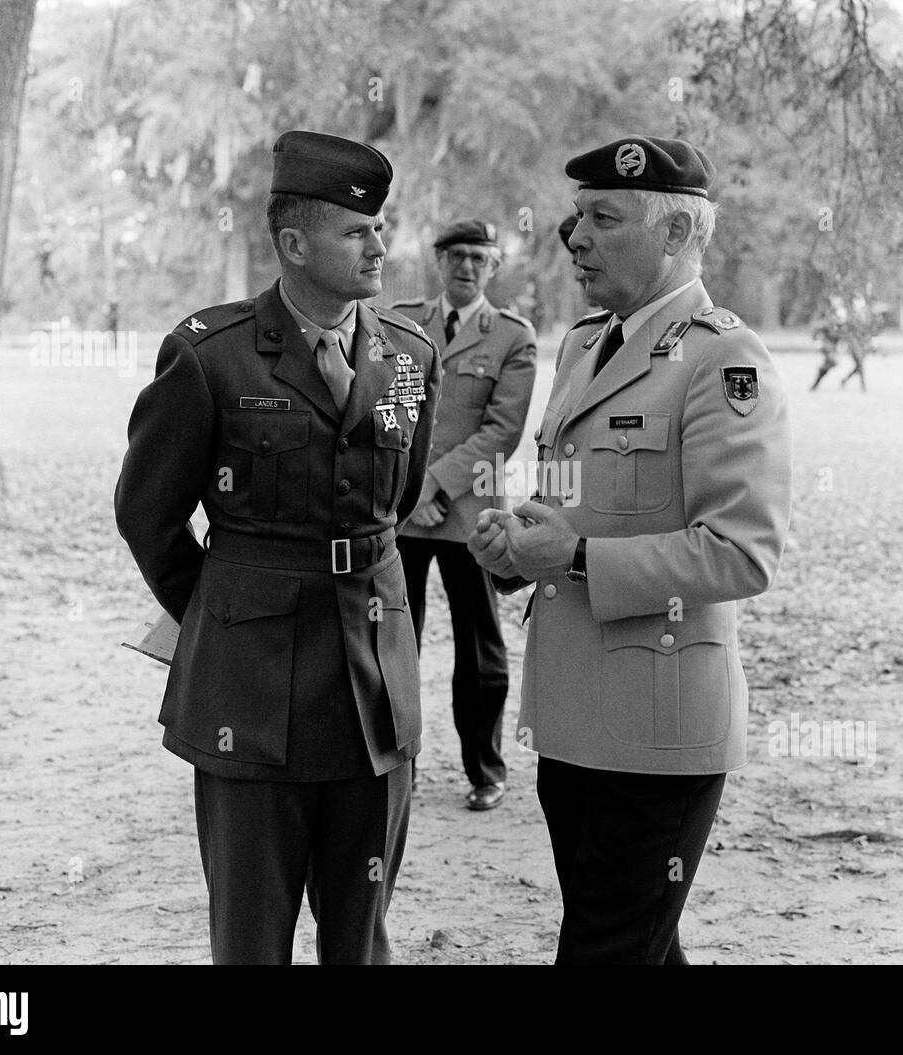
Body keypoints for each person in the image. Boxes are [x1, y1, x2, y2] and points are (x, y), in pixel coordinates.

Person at [114, 130, 440, 964]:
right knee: (253, 939)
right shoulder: (208, 356)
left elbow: (395, 504)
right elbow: (148, 514)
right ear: (294, 243)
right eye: (355, 231)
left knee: (360, 939)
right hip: (250, 699)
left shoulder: (409, 354)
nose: (379, 245)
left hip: (373, 685)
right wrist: (227, 610)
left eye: (380, 228)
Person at [468, 135, 793, 964]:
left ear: (678, 235)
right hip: (572, 716)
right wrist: (516, 545)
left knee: (605, 950)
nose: (573, 239)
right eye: (577, 218)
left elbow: (741, 551)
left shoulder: (724, 360)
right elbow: (574, 507)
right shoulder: (583, 344)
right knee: (640, 948)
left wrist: (573, 560)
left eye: (602, 219)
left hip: (659, 729)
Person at [389, 220, 537, 810]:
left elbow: (503, 430)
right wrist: (410, 491)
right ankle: (397, 762)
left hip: (470, 512)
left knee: (480, 648)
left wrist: (433, 485)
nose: (467, 267)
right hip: (402, 513)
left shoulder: (511, 337)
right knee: (394, 640)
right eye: (456, 256)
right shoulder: (401, 324)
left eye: (479, 258)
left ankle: (486, 770)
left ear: (494, 268)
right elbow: (386, 411)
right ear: (439, 262)